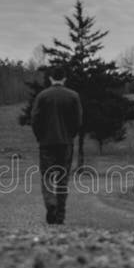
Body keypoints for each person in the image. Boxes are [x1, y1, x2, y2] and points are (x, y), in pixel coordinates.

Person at [30, 71, 83, 224]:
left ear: (51, 78)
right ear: (64, 78)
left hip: (46, 143)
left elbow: (35, 119)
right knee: (63, 179)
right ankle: (60, 215)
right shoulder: (73, 96)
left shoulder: (42, 96)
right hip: (66, 143)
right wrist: (70, 135)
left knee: (47, 176)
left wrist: (40, 136)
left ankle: (50, 203)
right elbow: (78, 121)